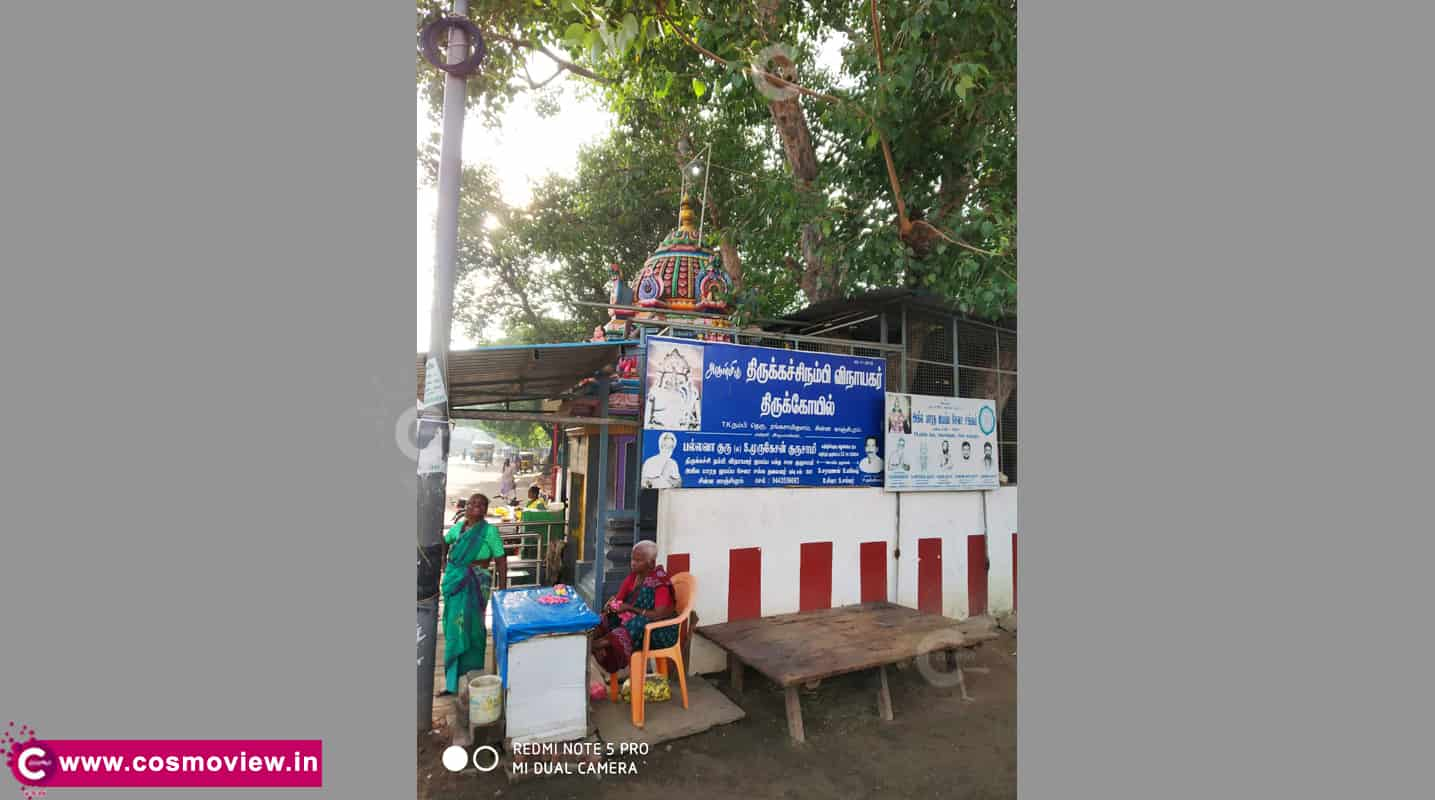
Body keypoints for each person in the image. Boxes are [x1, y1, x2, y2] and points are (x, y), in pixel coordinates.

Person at [438, 493, 508, 697]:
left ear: (485, 510)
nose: (476, 506)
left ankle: (473, 675)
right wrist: (444, 560)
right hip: (455, 580)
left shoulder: (489, 531)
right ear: (465, 507)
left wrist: (502, 591)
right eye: (472, 503)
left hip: (476, 583)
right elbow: (444, 541)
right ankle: (451, 683)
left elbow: (501, 560)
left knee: (474, 629)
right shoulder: (459, 527)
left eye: (481, 504)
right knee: (453, 629)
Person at [591, 541, 679, 675]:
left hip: (661, 630)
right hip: (638, 625)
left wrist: (630, 608)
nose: (633, 563)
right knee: (607, 617)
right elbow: (619, 601)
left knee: (638, 623)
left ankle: (598, 645)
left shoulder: (660, 582)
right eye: (632, 559)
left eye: (638, 560)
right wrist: (611, 606)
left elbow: (658, 615)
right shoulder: (633, 577)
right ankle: (592, 641)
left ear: (651, 563)